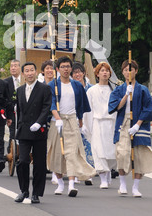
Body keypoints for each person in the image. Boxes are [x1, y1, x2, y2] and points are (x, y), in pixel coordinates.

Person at [108, 59, 152, 197]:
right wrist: (126, 95)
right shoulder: (119, 89)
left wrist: (137, 125)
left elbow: (148, 108)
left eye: (130, 69)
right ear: (122, 72)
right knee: (122, 153)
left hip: (138, 124)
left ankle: (136, 187)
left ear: (136, 71)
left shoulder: (143, 90)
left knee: (138, 156)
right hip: (123, 124)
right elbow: (114, 107)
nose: (128, 72)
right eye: (125, 70)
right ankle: (123, 184)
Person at [47, 56, 96, 197]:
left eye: (68, 66)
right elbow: (51, 103)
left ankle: (72, 185)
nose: (66, 69)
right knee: (58, 153)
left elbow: (80, 104)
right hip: (58, 121)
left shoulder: (76, 85)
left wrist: (80, 119)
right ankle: (60, 183)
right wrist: (57, 119)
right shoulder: (53, 85)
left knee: (72, 153)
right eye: (62, 67)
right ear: (58, 69)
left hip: (72, 121)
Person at [14, 62, 52, 204]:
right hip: (24, 131)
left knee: (39, 163)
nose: (29, 73)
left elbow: (46, 107)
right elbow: (20, 111)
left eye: (32, 70)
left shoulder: (44, 89)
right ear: (23, 74)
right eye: (27, 71)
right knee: (22, 160)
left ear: (36, 72)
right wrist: (18, 130)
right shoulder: (19, 90)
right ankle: (24, 190)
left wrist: (39, 122)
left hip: (39, 130)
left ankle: (36, 193)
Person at [84, 62, 117, 189]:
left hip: (111, 123)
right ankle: (103, 177)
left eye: (107, 71)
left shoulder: (114, 90)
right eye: (102, 71)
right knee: (99, 150)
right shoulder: (92, 91)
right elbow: (89, 110)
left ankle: (108, 172)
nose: (105, 73)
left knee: (111, 151)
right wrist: (88, 126)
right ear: (97, 74)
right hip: (97, 122)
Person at [71, 62, 94, 185]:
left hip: (89, 119)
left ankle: (88, 173)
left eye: (80, 72)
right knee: (75, 148)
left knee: (89, 147)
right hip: (75, 119)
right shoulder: (70, 87)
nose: (78, 74)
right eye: (75, 73)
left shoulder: (90, 88)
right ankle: (75, 173)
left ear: (84, 73)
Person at [4, 59, 21, 151]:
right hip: (12, 113)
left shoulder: (24, 80)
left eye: (15, 66)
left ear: (19, 67)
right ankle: (11, 152)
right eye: (11, 66)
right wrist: (7, 116)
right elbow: (4, 99)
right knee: (13, 133)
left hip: (24, 112)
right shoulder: (6, 82)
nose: (13, 68)